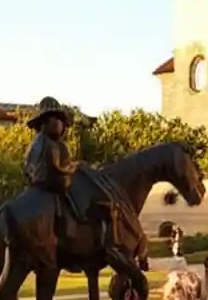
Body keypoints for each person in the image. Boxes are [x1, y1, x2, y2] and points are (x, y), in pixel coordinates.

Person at [22, 97, 144, 280]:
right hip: (56, 184)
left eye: (60, 120)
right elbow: (56, 169)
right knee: (92, 199)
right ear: (43, 123)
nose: (58, 124)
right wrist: (73, 168)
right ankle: (109, 240)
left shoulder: (44, 144)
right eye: (53, 120)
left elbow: (29, 169)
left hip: (49, 183)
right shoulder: (49, 144)